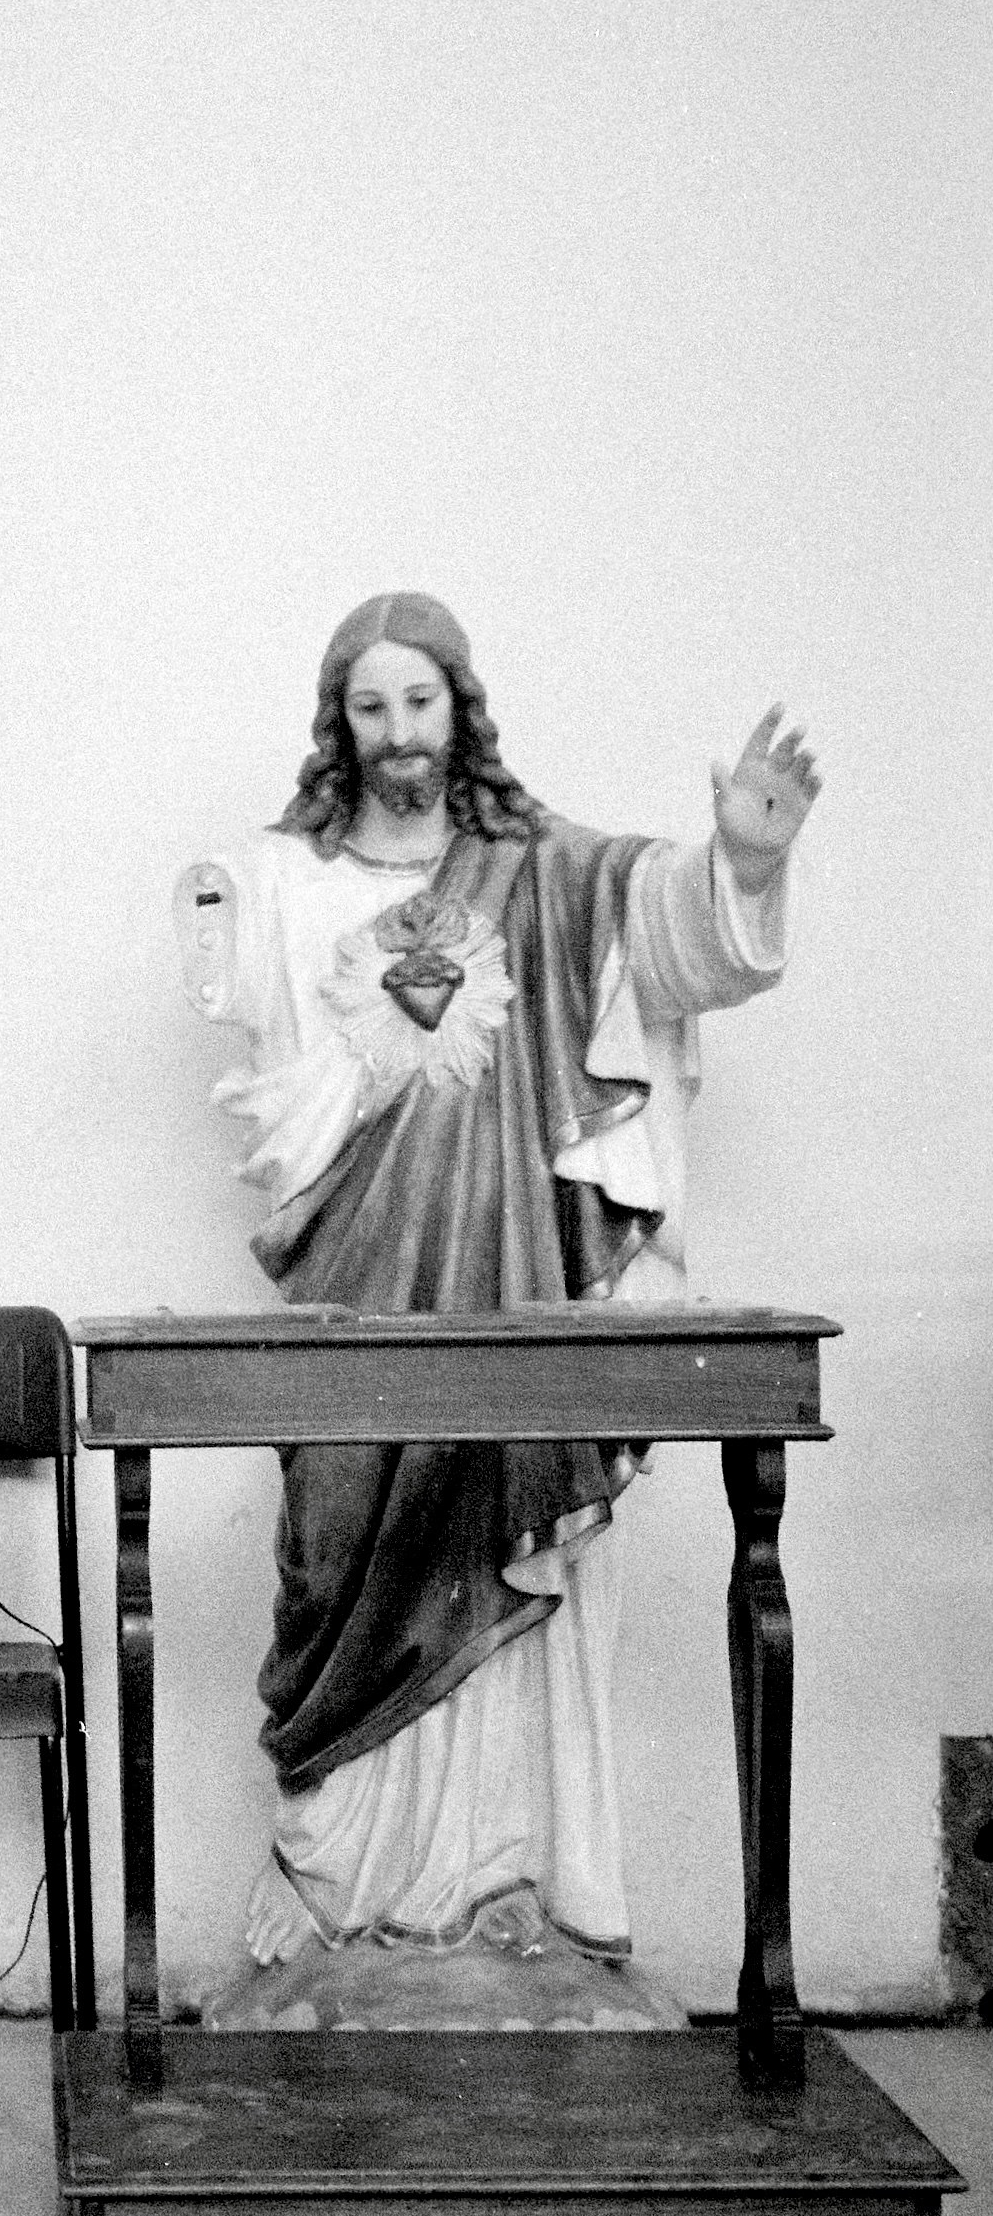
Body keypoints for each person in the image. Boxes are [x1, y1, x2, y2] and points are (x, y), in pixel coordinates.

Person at [174, 591, 820, 1985]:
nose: (397, 731)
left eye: (419, 700)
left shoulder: (545, 868)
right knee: (339, 1548)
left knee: (523, 1551)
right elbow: (239, 969)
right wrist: (226, 898)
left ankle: (515, 1895)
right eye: (368, 705)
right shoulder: (292, 877)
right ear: (335, 724)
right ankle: (341, 1905)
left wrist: (744, 863)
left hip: (525, 1275)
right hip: (358, 1282)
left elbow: (675, 927)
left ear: (461, 706)